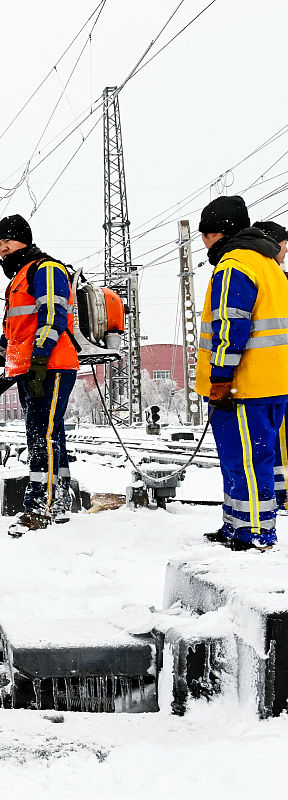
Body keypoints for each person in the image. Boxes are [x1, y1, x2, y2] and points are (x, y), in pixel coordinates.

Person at [195, 197, 288, 550]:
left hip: (243, 385)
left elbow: (229, 326)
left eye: (207, 234)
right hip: (275, 381)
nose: (205, 243)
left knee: (243, 462)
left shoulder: (234, 266)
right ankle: (237, 526)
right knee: (256, 458)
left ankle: (253, 533)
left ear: (219, 233)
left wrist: (220, 377)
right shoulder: (270, 267)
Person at [0, 215, 78, 535]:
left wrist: (39, 358)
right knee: (51, 433)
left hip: (51, 365)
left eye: (7, 240)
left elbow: (54, 315)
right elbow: (12, 334)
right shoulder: (17, 280)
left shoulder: (46, 269)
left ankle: (40, 507)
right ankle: (59, 497)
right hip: (29, 368)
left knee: (41, 435)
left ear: (25, 239)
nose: (2, 247)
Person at [253, 219, 288, 511]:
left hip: (267, 379)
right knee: (277, 442)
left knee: (269, 443)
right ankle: (282, 494)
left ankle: (277, 494)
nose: (286, 251)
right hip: (277, 376)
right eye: (284, 245)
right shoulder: (277, 281)